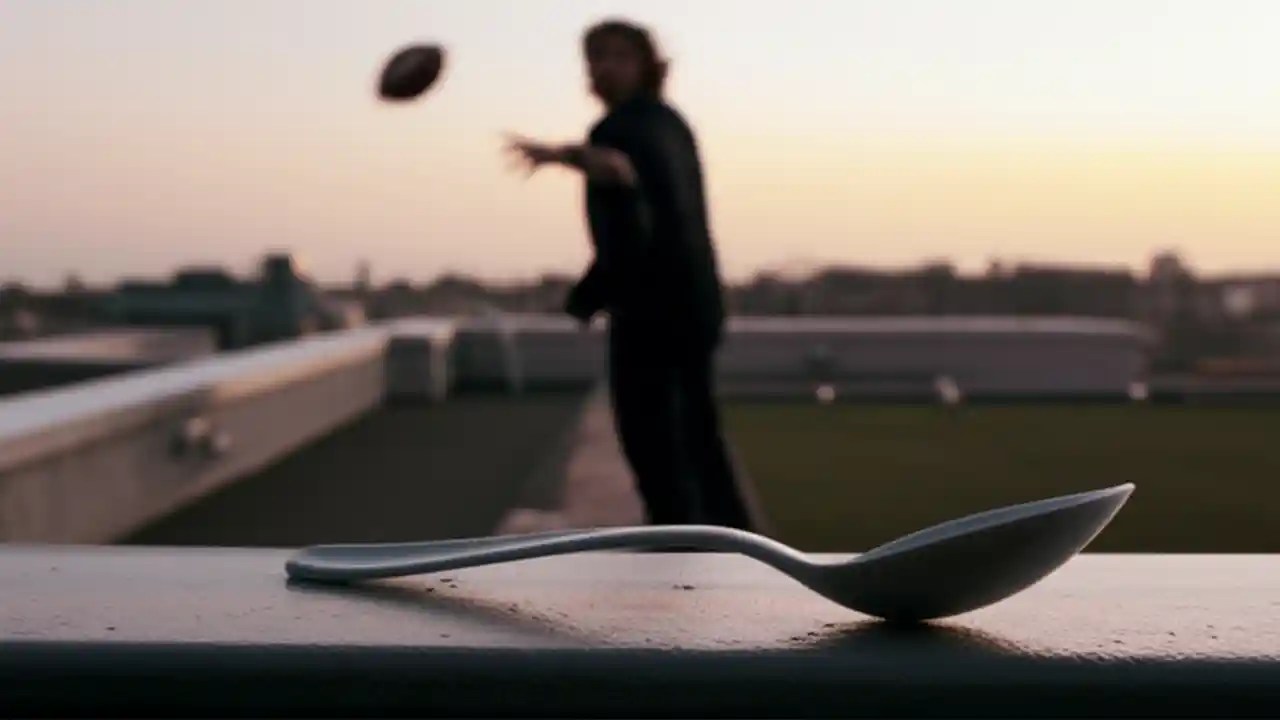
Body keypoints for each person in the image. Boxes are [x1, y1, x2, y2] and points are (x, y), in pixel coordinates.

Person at [505, 19, 755, 530]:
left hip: (653, 313)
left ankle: (683, 559)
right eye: (595, 56)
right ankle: (734, 554)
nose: (604, 66)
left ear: (646, 66)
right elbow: (649, 218)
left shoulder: (622, 127)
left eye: (619, 55)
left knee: (656, 449)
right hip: (693, 305)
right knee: (700, 444)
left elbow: (620, 171)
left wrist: (561, 155)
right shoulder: (671, 122)